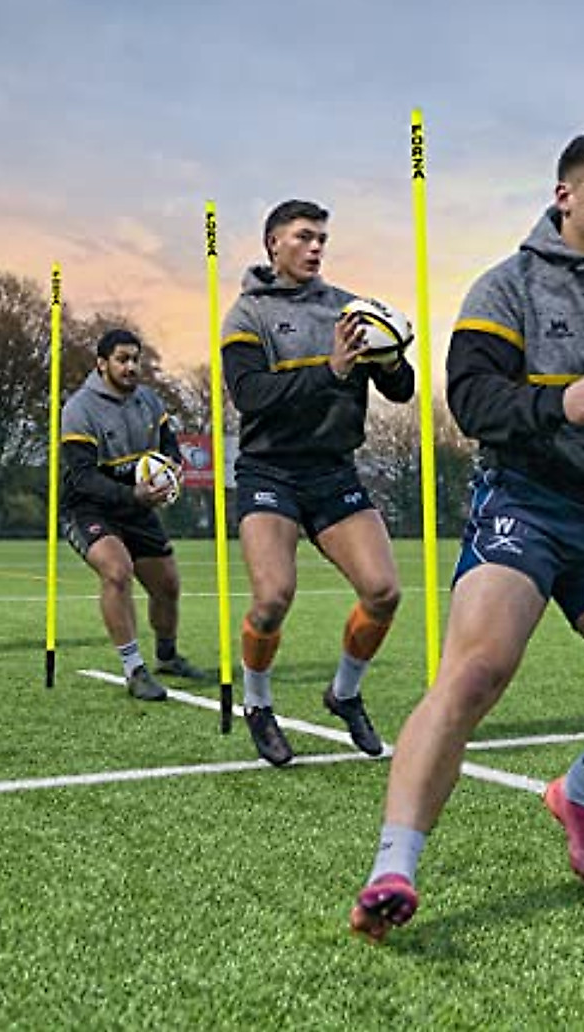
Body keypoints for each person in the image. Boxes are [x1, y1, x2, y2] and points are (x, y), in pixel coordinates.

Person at [350, 123, 584, 940]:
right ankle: (393, 869)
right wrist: (563, 401)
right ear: (565, 196)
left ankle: (577, 795)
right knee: (475, 672)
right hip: (524, 503)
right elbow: (471, 398)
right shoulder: (506, 287)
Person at [221, 199, 415, 766]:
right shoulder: (246, 316)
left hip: (333, 471)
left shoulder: (348, 309)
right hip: (269, 471)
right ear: (273, 244)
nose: (315, 248)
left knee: (383, 591)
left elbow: (401, 390)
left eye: (322, 239)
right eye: (304, 237)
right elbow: (251, 395)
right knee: (272, 598)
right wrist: (330, 370)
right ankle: (258, 704)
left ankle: (344, 694)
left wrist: (390, 358)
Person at [60, 329, 208, 700]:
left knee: (168, 585)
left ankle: (167, 657)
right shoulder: (79, 409)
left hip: (137, 507)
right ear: (102, 363)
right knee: (117, 571)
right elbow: (83, 477)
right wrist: (133, 494)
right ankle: (134, 670)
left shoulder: (149, 401)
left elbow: (169, 445)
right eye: (122, 359)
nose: (130, 367)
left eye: (135, 359)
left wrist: (172, 470)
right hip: (88, 506)